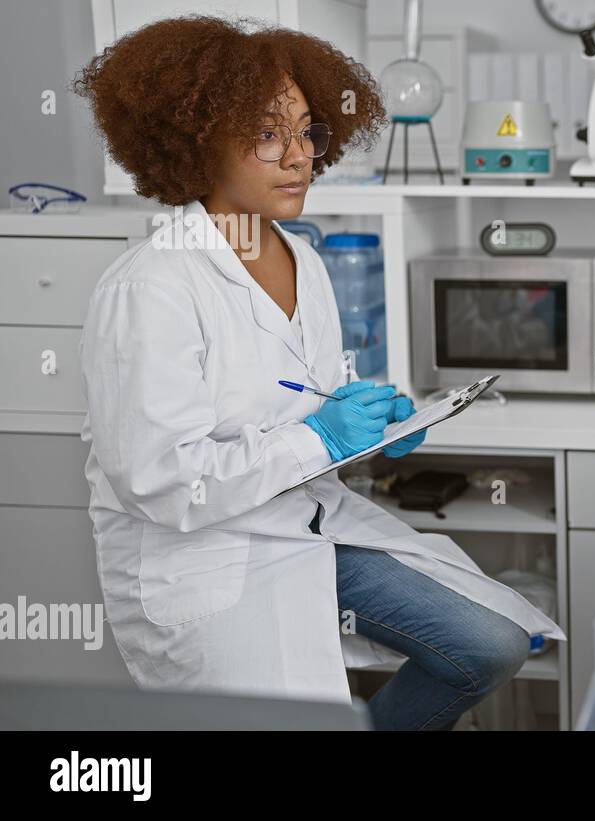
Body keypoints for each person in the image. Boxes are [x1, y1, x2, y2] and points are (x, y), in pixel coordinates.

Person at [74, 16, 561, 730]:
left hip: (306, 522)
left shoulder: (302, 259)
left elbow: (309, 393)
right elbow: (161, 480)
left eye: (308, 132)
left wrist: (374, 426)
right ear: (198, 139)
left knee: (488, 645)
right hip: (208, 556)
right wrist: (323, 440)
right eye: (268, 133)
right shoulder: (151, 287)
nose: (298, 156)